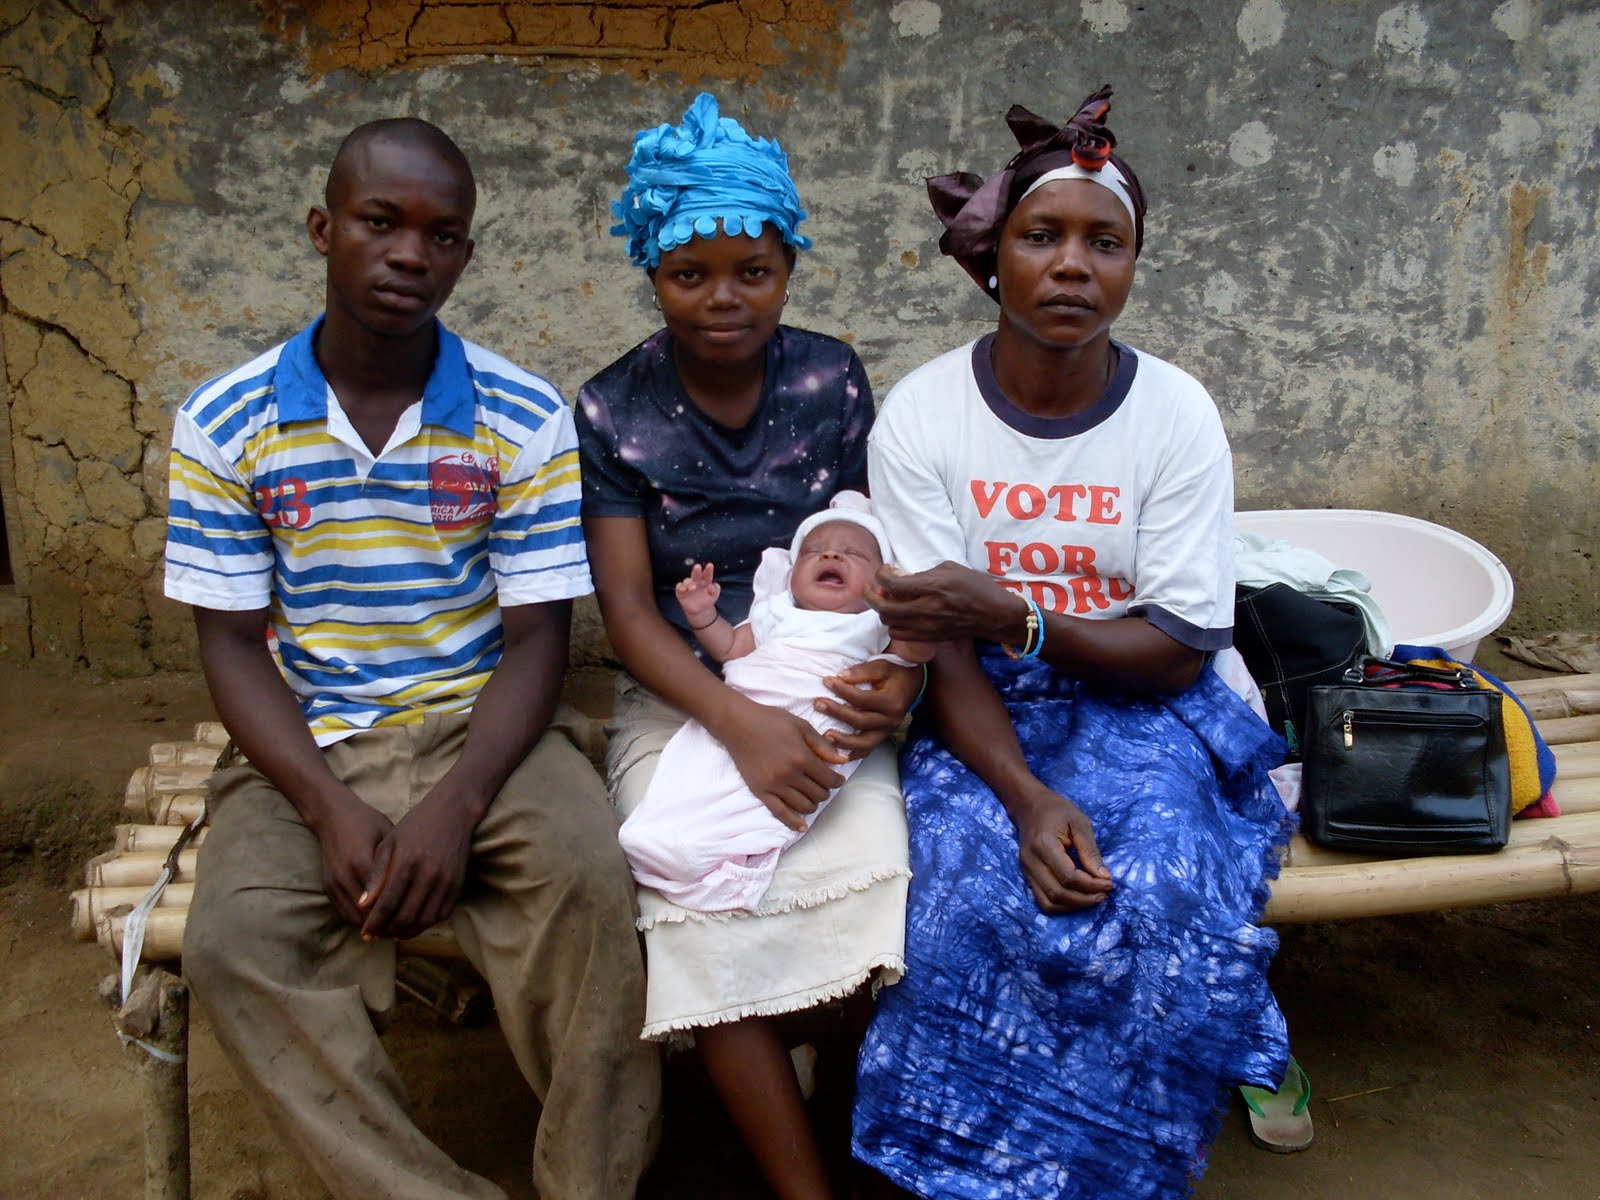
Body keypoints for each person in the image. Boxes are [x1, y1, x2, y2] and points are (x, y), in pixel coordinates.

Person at [164, 118, 659, 1200]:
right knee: (232, 942)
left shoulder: (519, 415)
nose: (407, 255)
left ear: (465, 257)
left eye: (441, 235)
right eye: (379, 222)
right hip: (310, 741)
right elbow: (230, 645)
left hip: (484, 729)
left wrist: (459, 802)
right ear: (322, 227)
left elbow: (539, 639)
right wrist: (328, 807)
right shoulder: (225, 420)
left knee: (593, 895)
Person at [850, 88, 1297, 1198]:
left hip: (1146, 697)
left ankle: (1132, 1148)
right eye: (1040, 236)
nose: (1070, 266)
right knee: (960, 899)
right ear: (991, 256)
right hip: (978, 703)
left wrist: (1019, 615)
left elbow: (1181, 647)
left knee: (1155, 890)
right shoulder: (922, 413)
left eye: (1106, 243)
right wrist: (1022, 794)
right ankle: (967, 1169)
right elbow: (940, 647)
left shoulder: (1175, 414)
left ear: (1134, 267)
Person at [575, 93, 921, 1200]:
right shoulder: (614, 408)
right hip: (687, 696)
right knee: (694, 919)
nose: (723, 299)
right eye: (690, 274)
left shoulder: (829, 378)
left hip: (824, 683)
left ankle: (842, 1126)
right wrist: (737, 718)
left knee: (878, 896)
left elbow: (884, 545)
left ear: (787, 266)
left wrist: (891, 681)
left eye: (752, 271)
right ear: (651, 273)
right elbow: (630, 614)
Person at [619, 492, 933, 912]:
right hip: (747, 705)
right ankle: (669, 840)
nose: (832, 555)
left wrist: (910, 613)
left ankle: (740, 859)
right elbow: (730, 648)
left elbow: (914, 654)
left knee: (774, 800)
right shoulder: (774, 613)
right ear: (790, 575)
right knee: (697, 777)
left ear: (880, 584)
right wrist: (703, 616)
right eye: (815, 551)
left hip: (816, 718)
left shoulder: (873, 624)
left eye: (854, 553)